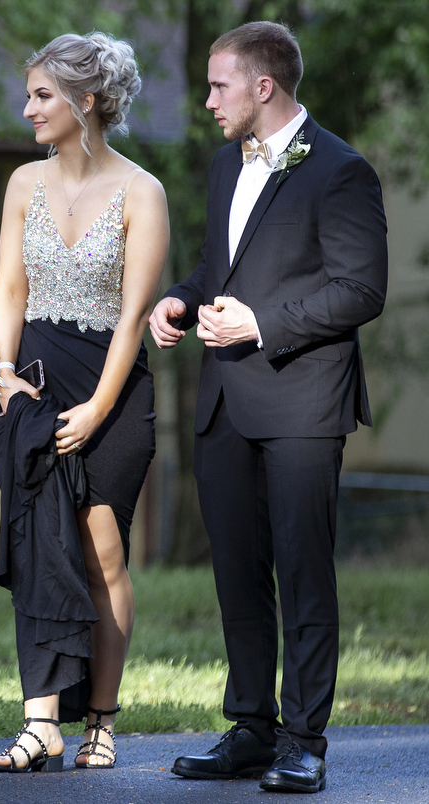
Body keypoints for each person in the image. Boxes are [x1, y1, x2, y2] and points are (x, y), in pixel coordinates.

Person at [150, 21, 388, 794]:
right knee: (238, 575)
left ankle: (304, 740)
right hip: (224, 401)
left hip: (304, 405)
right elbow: (218, 265)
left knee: (303, 571)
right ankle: (250, 729)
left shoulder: (344, 171)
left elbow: (361, 289)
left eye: (219, 85)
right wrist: (180, 301)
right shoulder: (226, 165)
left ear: (263, 85)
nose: (208, 98)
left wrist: (262, 323)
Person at [0, 32, 169, 773]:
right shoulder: (22, 185)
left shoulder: (142, 191)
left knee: (100, 556)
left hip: (112, 390)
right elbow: (8, 289)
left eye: (41, 95)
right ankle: (41, 723)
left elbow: (133, 318)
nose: (27, 109)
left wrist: (96, 409)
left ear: (85, 101)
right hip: (32, 384)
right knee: (36, 553)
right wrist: (1, 372)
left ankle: (101, 719)